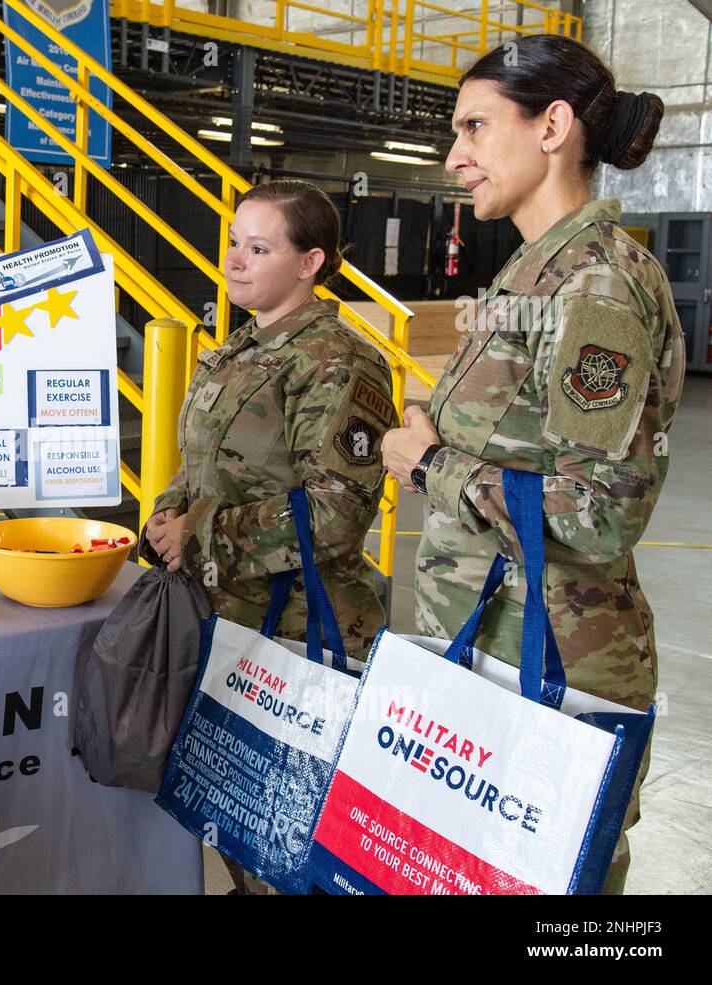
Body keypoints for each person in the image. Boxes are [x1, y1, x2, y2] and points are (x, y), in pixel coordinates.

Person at [381, 35, 683, 895]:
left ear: (552, 126)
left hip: (550, 660)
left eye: (475, 127)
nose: (454, 157)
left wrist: (430, 461)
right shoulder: (533, 270)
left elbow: (601, 512)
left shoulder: (594, 286)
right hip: (493, 643)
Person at [141, 179, 395, 894]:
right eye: (233, 243)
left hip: (299, 633)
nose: (236, 261)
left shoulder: (336, 363)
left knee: (291, 841)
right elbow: (206, 462)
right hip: (231, 620)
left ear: (311, 261)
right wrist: (168, 512)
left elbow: (338, 512)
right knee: (239, 824)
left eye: (260, 247)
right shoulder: (244, 346)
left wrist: (204, 535)